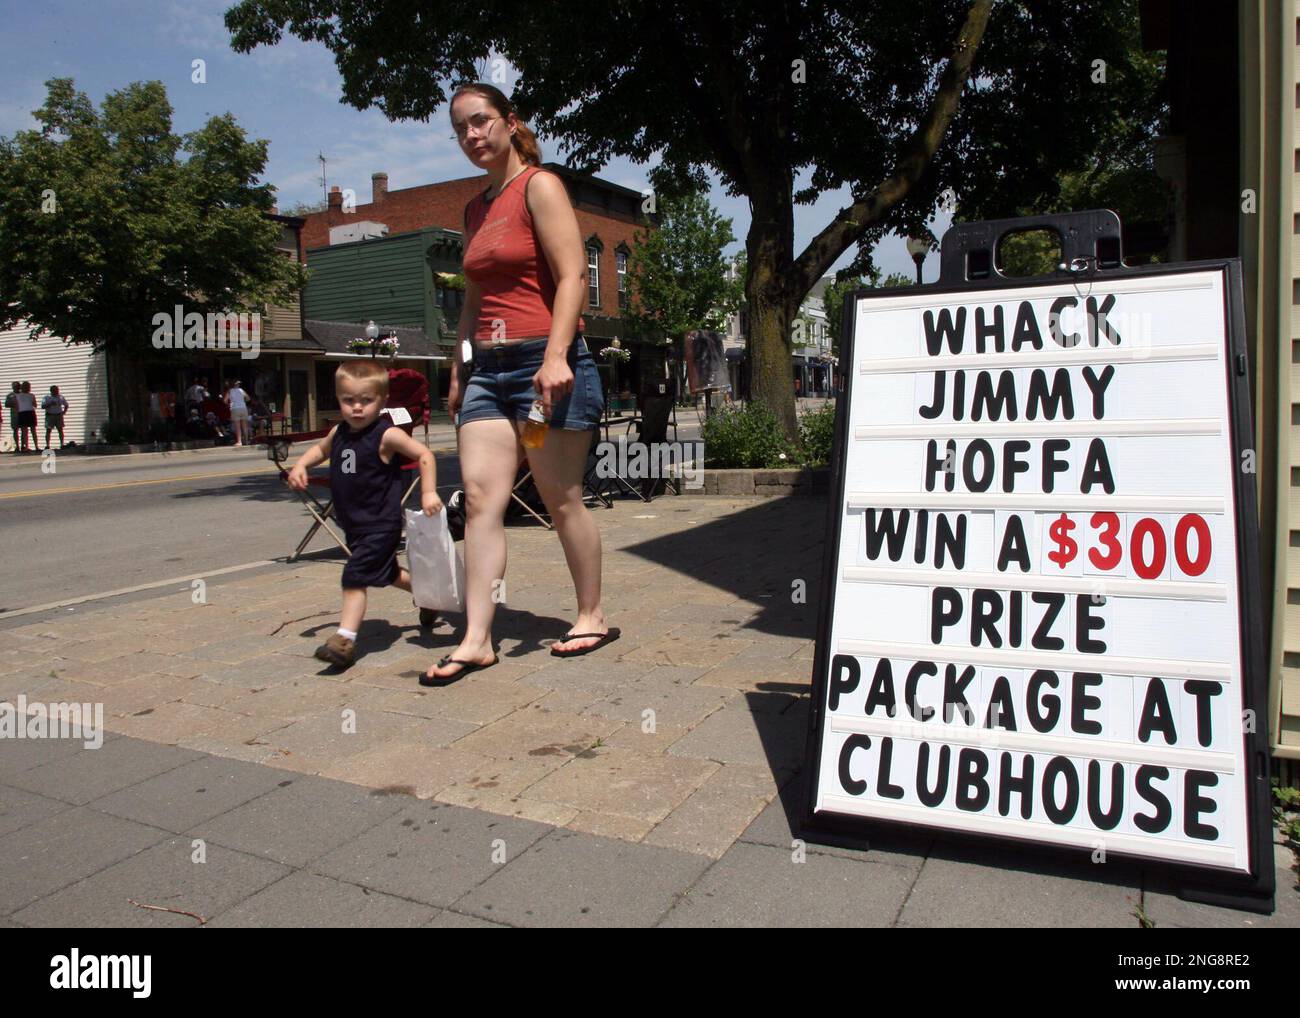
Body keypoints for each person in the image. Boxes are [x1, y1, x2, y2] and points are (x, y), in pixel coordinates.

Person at [427, 82, 617, 685]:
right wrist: (459, 367)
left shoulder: (540, 187)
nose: (471, 136)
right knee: (482, 501)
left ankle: (591, 614)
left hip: (544, 365)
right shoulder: (473, 210)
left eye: (480, 122)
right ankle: (477, 638)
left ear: (510, 124)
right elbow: (473, 298)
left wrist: (557, 355)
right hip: (488, 368)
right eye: (460, 129)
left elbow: (569, 278)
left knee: (559, 499)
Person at [287, 360, 442, 669]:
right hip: (353, 524)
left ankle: (344, 640)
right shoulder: (338, 432)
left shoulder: (387, 435)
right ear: (339, 399)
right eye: (348, 400)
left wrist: (428, 492)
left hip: (380, 524)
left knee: (354, 575)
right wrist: (301, 465)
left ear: (382, 402)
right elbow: (320, 450)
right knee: (387, 574)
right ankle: (429, 598)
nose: (357, 408)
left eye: (366, 400)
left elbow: (424, 455)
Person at [225, 378, 251, 447]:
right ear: (237, 384)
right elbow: (248, 398)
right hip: (243, 408)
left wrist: (229, 404)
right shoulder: (241, 390)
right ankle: (246, 440)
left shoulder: (229, 391)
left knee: (238, 426)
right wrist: (242, 401)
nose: (239, 385)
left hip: (235, 408)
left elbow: (225, 400)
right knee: (245, 425)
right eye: (238, 384)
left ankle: (239, 441)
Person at [15, 382, 39, 453]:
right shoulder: (19, 395)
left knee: (31, 430)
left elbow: (35, 405)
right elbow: (35, 404)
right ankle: (29, 447)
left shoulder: (30, 395)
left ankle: (34, 446)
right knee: (27, 431)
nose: (28, 388)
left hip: (27, 412)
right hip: (25, 412)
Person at [5, 382, 18, 453]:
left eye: (17, 386)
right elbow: (6, 404)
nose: (16, 387)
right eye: (14, 386)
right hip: (14, 414)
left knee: (23, 430)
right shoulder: (10, 395)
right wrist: (11, 404)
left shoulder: (22, 394)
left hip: (22, 413)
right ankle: (17, 446)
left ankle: (24, 446)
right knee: (15, 430)